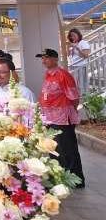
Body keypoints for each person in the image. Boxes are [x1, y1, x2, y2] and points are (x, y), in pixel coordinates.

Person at [38, 48, 85, 188]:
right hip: (50, 118)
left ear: (54, 59)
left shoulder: (63, 75)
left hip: (63, 119)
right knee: (55, 149)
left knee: (68, 150)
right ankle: (61, 179)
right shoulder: (48, 74)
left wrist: (69, 112)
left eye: (46, 57)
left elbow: (74, 97)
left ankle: (76, 180)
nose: (43, 60)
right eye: (42, 58)